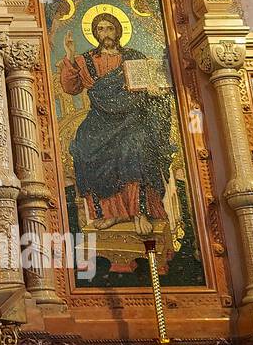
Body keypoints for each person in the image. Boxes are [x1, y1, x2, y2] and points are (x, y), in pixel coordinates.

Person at [58, 12, 174, 234]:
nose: (105, 34)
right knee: (84, 144)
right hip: (101, 118)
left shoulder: (134, 57)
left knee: (135, 146)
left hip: (131, 118)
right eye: (100, 29)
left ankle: (140, 212)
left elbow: (151, 85)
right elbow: (71, 88)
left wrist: (154, 90)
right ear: (94, 33)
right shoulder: (87, 60)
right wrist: (70, 56)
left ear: (118, 31)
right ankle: (112, 213)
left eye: (109, 28)